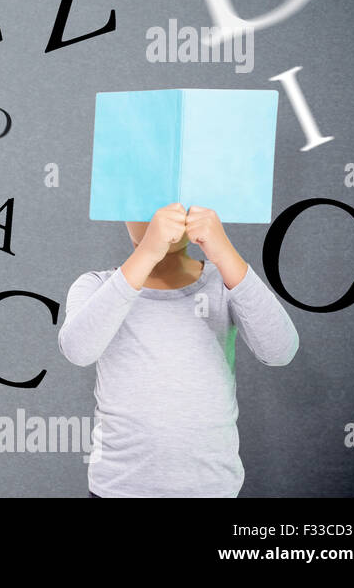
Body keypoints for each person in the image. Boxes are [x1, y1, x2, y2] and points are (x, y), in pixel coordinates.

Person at [58, 202, 299, 497]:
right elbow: (78, 350)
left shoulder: (223, 283)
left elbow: (280, 350)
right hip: (117, 490)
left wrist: (224, 253)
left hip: (211, 489)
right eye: (147, 202)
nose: (162, 214)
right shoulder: (97, 285)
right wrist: (147, 252)